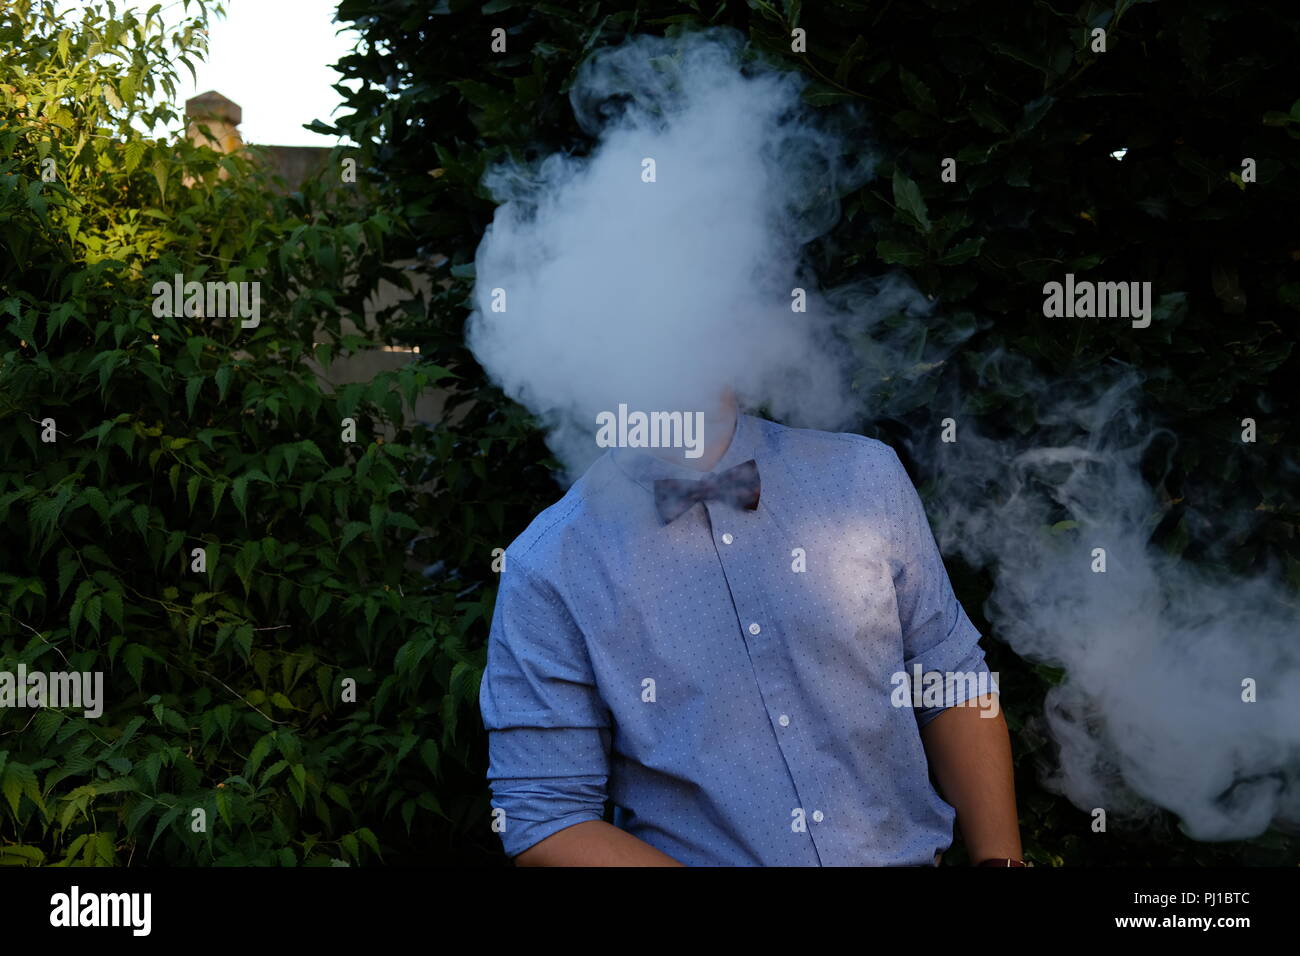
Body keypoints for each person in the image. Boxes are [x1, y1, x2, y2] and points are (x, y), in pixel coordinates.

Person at [478, 388, 1023, 866]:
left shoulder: (864, 475)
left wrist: (1002, 864)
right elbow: (548, 818)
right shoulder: (549, 566)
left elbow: (953, 687)